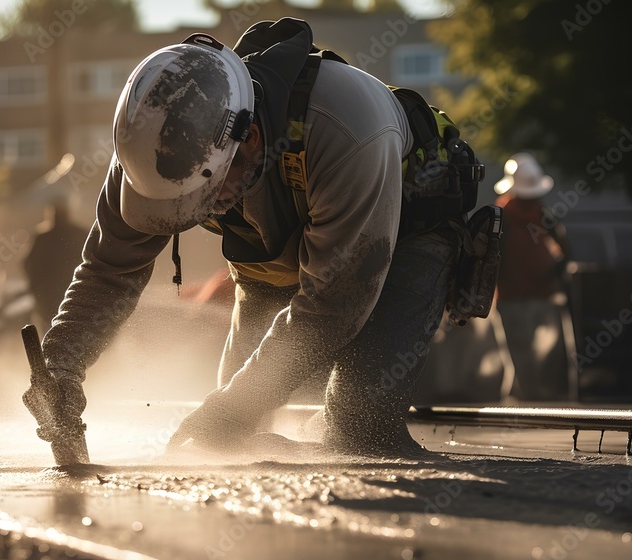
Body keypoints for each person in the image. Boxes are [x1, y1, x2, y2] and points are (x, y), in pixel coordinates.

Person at [24, 18, 472, 461]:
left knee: (359, 423)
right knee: (226, 442)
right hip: (278, 254)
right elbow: (108, 270)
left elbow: (335, 304)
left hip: (406, 234)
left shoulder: (346, 129)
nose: (200, 212)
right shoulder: (155, 148)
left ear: (250, 139)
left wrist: (231, 409)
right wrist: (62, 364)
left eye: (209, 194)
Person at [493, 153, 578, 401]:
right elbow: (566, 249)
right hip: (522, 294)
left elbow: (565, 249)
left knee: (525, 353)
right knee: (526, 352)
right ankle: (527, 397)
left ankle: (522, 396)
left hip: (527, 294)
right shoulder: (514, 215)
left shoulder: (509, 214)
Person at [24, 200, 90, 333]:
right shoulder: (80, 234)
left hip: (59, 293)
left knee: (53, 329)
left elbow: (29, 264)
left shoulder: (43, 237)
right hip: (69, 292)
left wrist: (35, 288)